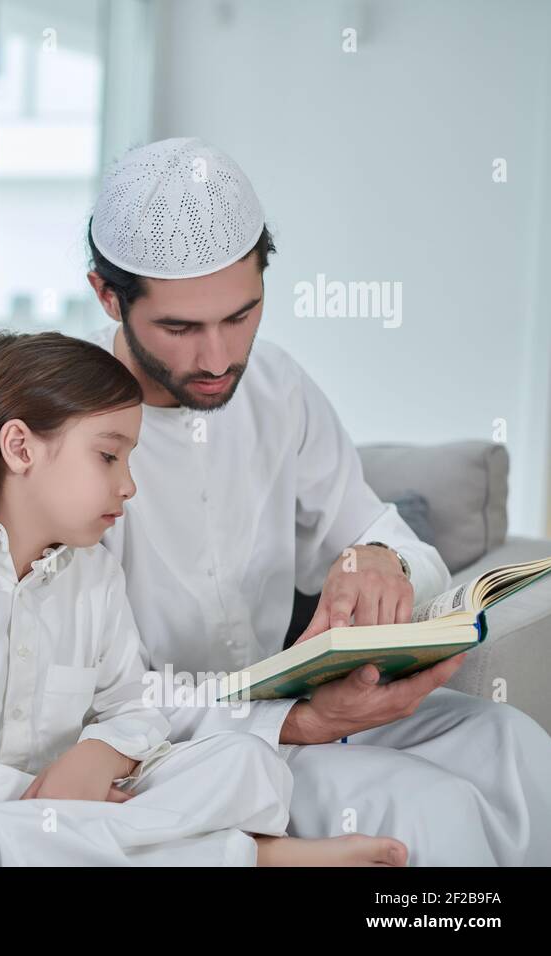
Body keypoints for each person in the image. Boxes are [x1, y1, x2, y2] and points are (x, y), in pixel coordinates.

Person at [81, 136, 551, 864]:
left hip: (305, 709)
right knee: (426, 806)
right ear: (107, 295)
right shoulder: (64, 426)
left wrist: (375, 558)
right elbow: (86, 696)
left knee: (512, 742)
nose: (217, 359)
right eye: (180, 328)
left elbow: (383, 534)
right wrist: (298, 722)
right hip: (179, 747)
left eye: (240, 316)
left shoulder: (275, 386)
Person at [0, 330, 408, 866]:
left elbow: (132, 705)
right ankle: (254, 859)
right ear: (20, 448)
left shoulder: (93, 577)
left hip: (94, 805)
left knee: (244, 762)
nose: (128, 485)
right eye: (108, 456)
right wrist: (29, 793)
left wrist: (101, 753)